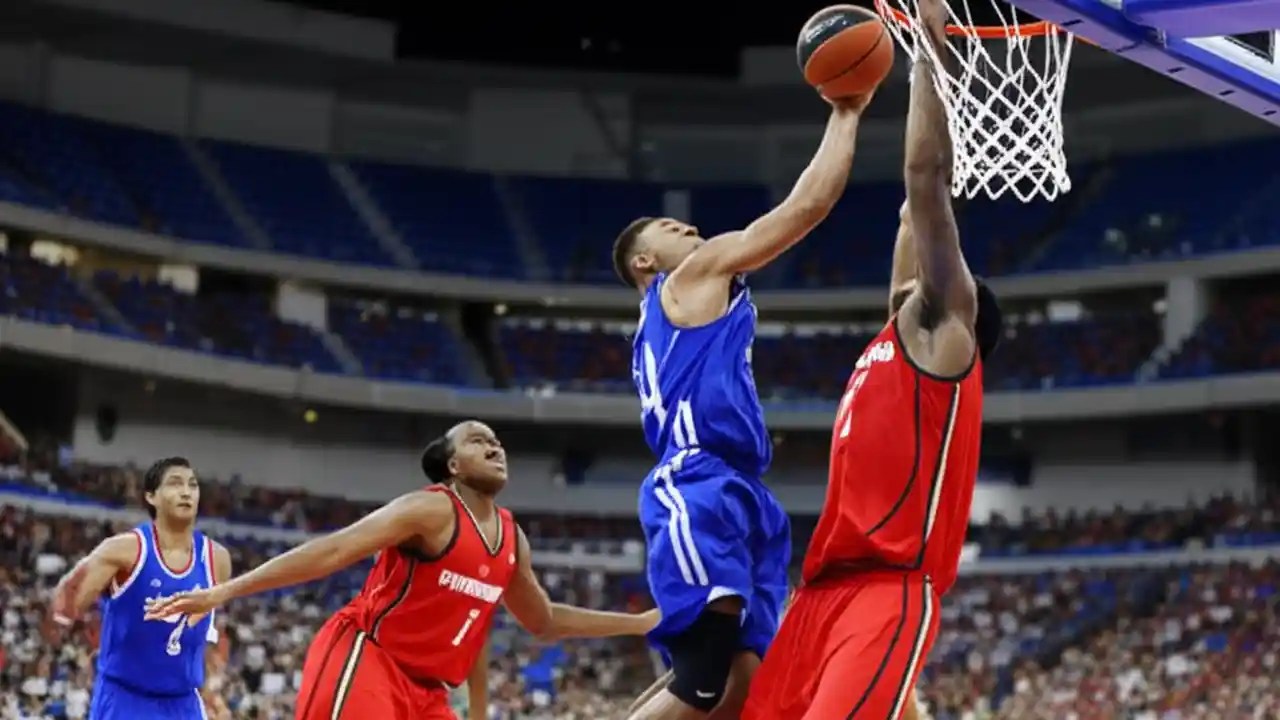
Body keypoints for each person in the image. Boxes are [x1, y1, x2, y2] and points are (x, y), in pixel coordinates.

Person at [741, 0, 1002, 717]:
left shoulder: (945, 330)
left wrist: (929, 46)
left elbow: (925, 180)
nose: (925, 255)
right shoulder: (896, 332)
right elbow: (904, 215)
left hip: (888, 591)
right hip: (819, 593)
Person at [612, 88, 874, 719]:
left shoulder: (674, 316)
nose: (692, 231)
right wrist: (847, 112)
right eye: (673, 229)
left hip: (740, 490)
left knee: (748, 686)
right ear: (647, 260)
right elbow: (806, 206)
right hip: (699, 483)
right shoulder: (690, 276)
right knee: (703, 678)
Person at [145, 420, 659, 720]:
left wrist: (639, 624)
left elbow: (535, 620)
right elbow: (333, 550)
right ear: (454, 466)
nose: (494, 445)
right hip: (369, 657)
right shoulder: (430, 511)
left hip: (429, 691)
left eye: (497, 441)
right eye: (479, 440)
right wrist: (224, 592)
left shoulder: (511, 539)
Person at [47, 457, 232, 720]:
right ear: (151, 496)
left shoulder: (217, 559)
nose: (186, 491)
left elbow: (204, 632)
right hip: (125, 697)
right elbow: (66, 610)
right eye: (175, 483)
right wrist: (66, 596)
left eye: (192, 485)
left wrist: (213, 687)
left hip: (183, 702)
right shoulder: (123, 550)